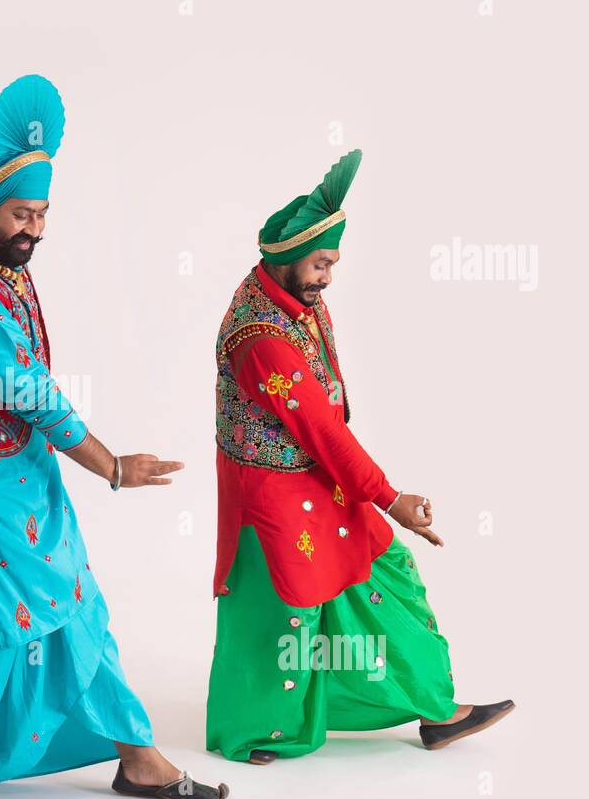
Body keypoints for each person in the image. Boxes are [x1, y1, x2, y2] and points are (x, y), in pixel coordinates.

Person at [0, 75, 228, 799]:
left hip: (23, 478)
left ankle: (135, 755)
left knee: (76, 608)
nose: (32, 230)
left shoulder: (5, 264)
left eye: (41, 214)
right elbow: (34, 394)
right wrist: (112, 466)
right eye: (19, 214)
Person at [207, 149, 514, 764]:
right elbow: (321, 426)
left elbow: (325, 422)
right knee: (284, 611)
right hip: (270, 492)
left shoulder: (293, 296)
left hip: (320, 479)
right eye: (321, 264)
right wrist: (391, 497)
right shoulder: (263, 338)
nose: (327, 277)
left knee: (382, 574)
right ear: (289, 259)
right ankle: (251, 730)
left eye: (332, 264)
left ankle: (434, 707)